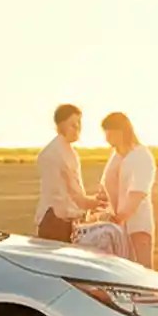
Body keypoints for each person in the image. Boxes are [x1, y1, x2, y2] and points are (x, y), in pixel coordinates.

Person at [34, 103, 101, 241]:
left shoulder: (69, 152)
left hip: (66, 221)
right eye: (73, 125)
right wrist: (93, 203)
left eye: (79, 125)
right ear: (60, 125)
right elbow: (65, 195)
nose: (78, 129)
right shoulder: (53, 154)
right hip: (56, 222)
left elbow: (76, 194)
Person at [98, 112, 157, 268]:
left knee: (142, 271)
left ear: (120, 131)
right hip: (117, 228)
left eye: (109, 132)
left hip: (137, 225)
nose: (106, 137)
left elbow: (137, 193)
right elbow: (105, 186)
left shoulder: (141, 155)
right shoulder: (116, 156)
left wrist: (119, 217)